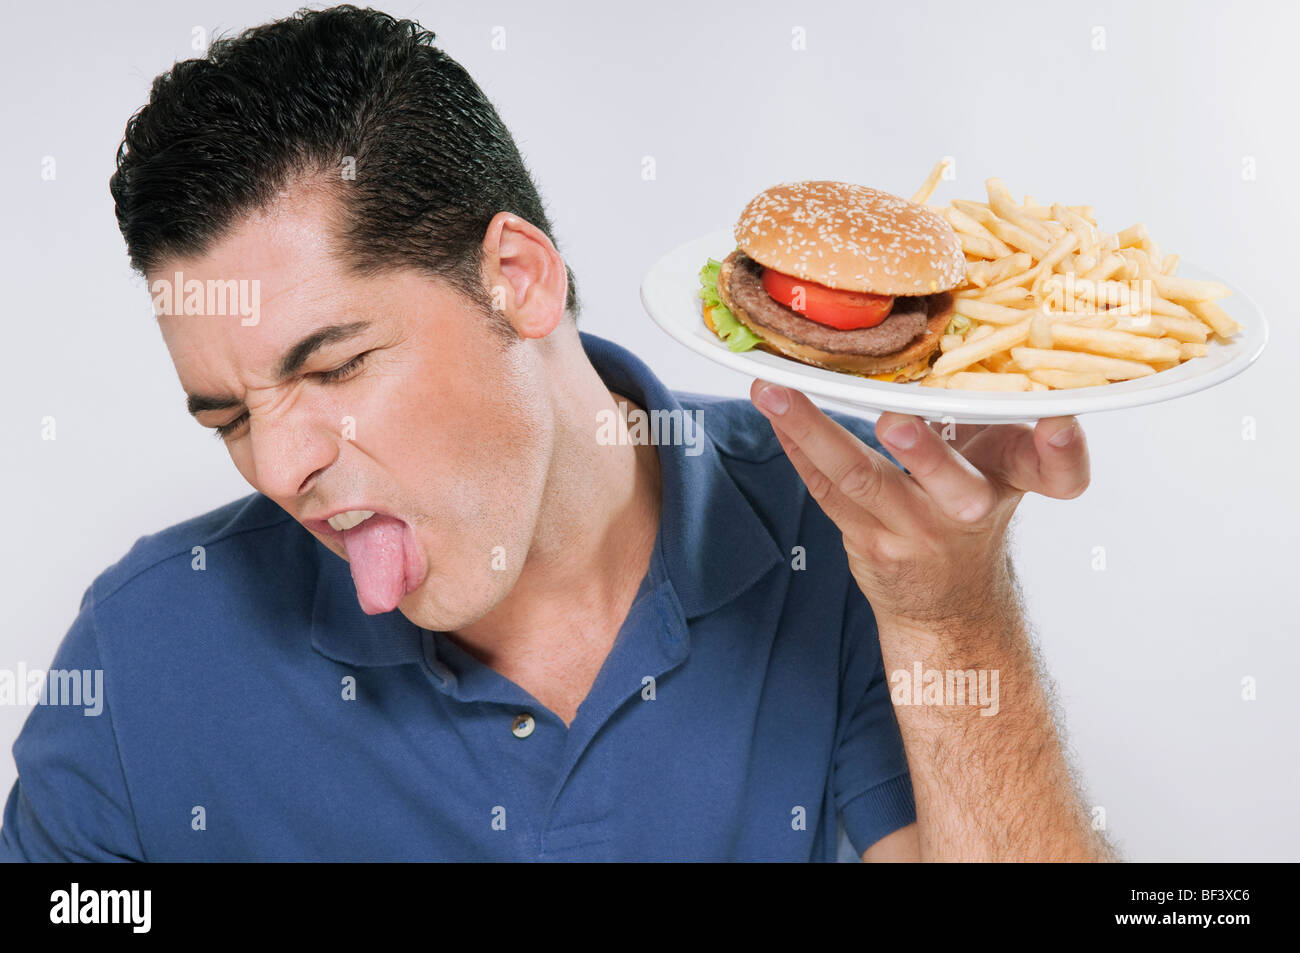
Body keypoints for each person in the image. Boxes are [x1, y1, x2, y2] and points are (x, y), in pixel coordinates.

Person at [0, 5, 1113, 862]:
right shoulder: (141, 658)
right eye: (232, 417)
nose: (283, 467)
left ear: (517, 280)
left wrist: (953, 615)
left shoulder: (846, 528)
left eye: (335, 365)